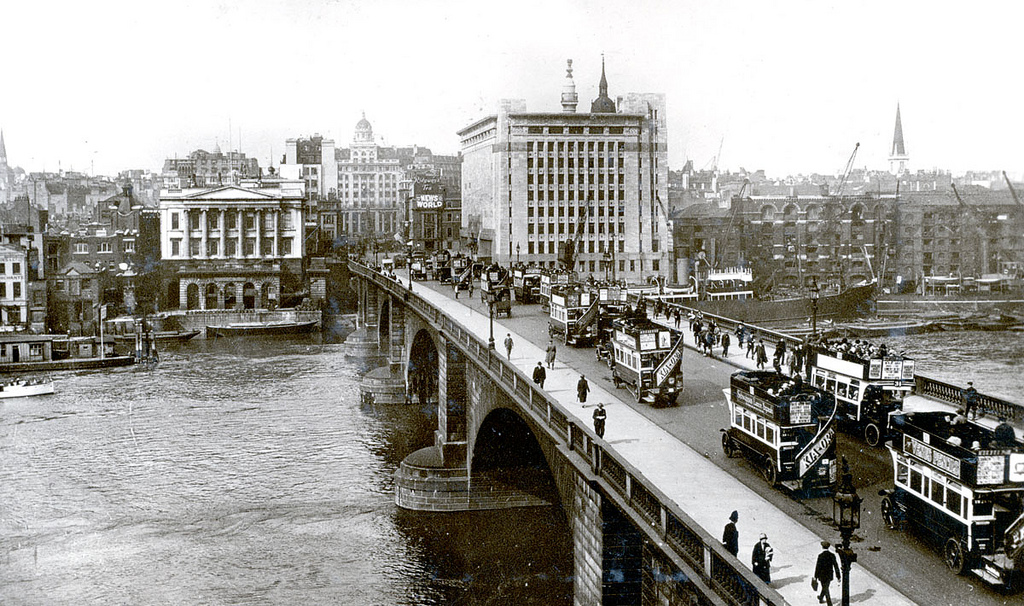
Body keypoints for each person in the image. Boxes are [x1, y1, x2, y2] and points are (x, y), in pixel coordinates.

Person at [813, 540, 841, 605]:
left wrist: (815, 576)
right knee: (825, 587)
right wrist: (838, 576)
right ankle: (820, 598)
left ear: (822, 547)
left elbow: (818, 567)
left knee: (825, 589)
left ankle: (829, 604)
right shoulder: (832, 555)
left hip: (821, 576)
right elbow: (836, 566)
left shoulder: (820, 556)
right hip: (829, 575)